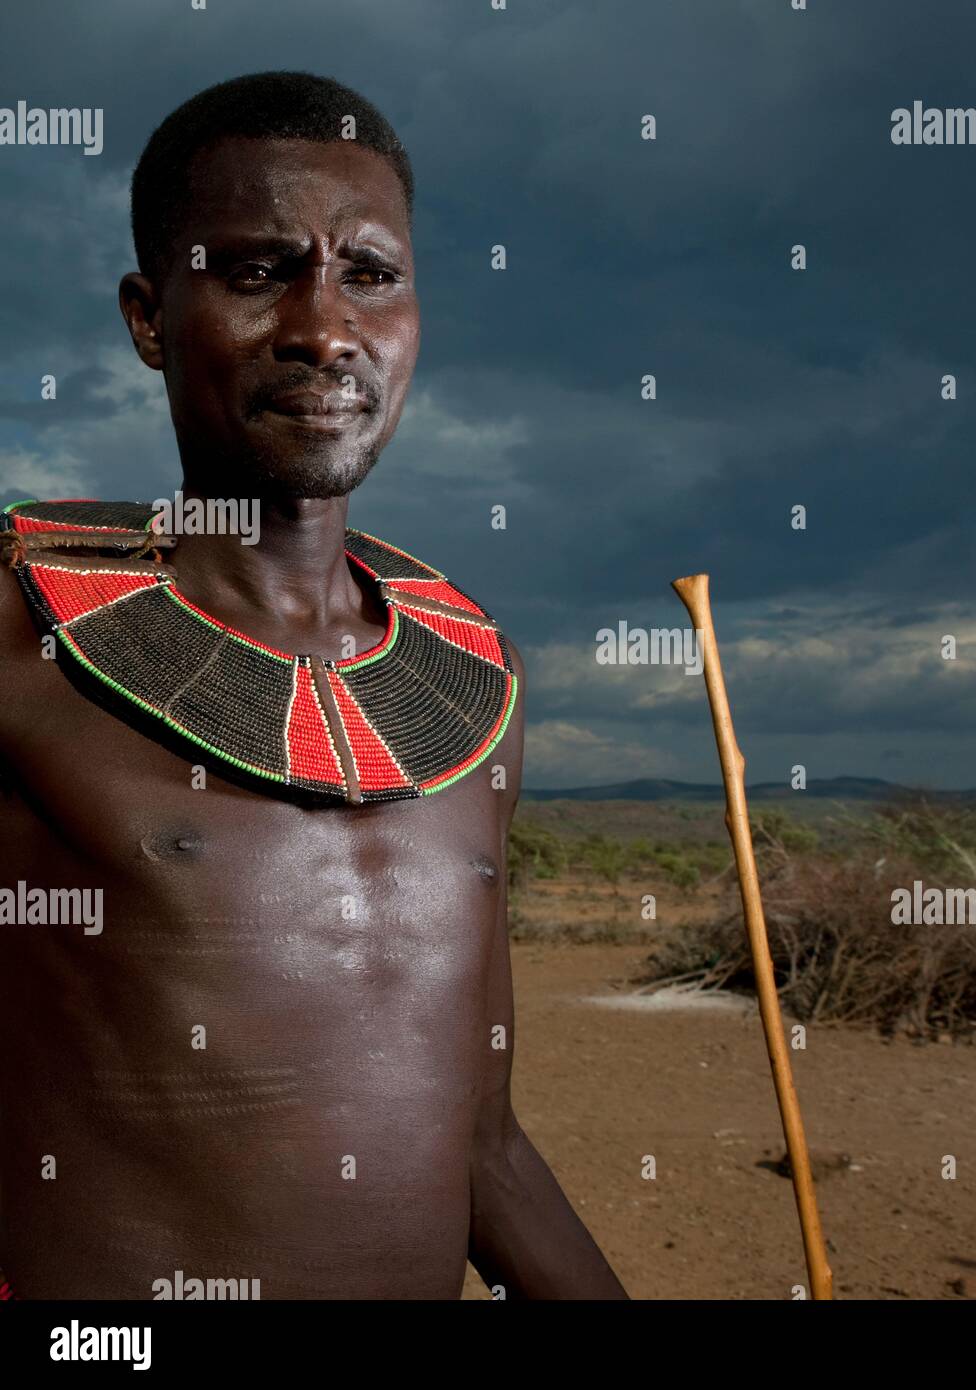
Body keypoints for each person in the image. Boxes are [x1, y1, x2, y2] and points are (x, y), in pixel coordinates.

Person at [0, 70, 628, 1300]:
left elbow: (481, 1141)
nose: (323, 328)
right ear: (147, 316)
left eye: (370, 276)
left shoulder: (466, 678)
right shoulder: (19, 623)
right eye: (254, 271)